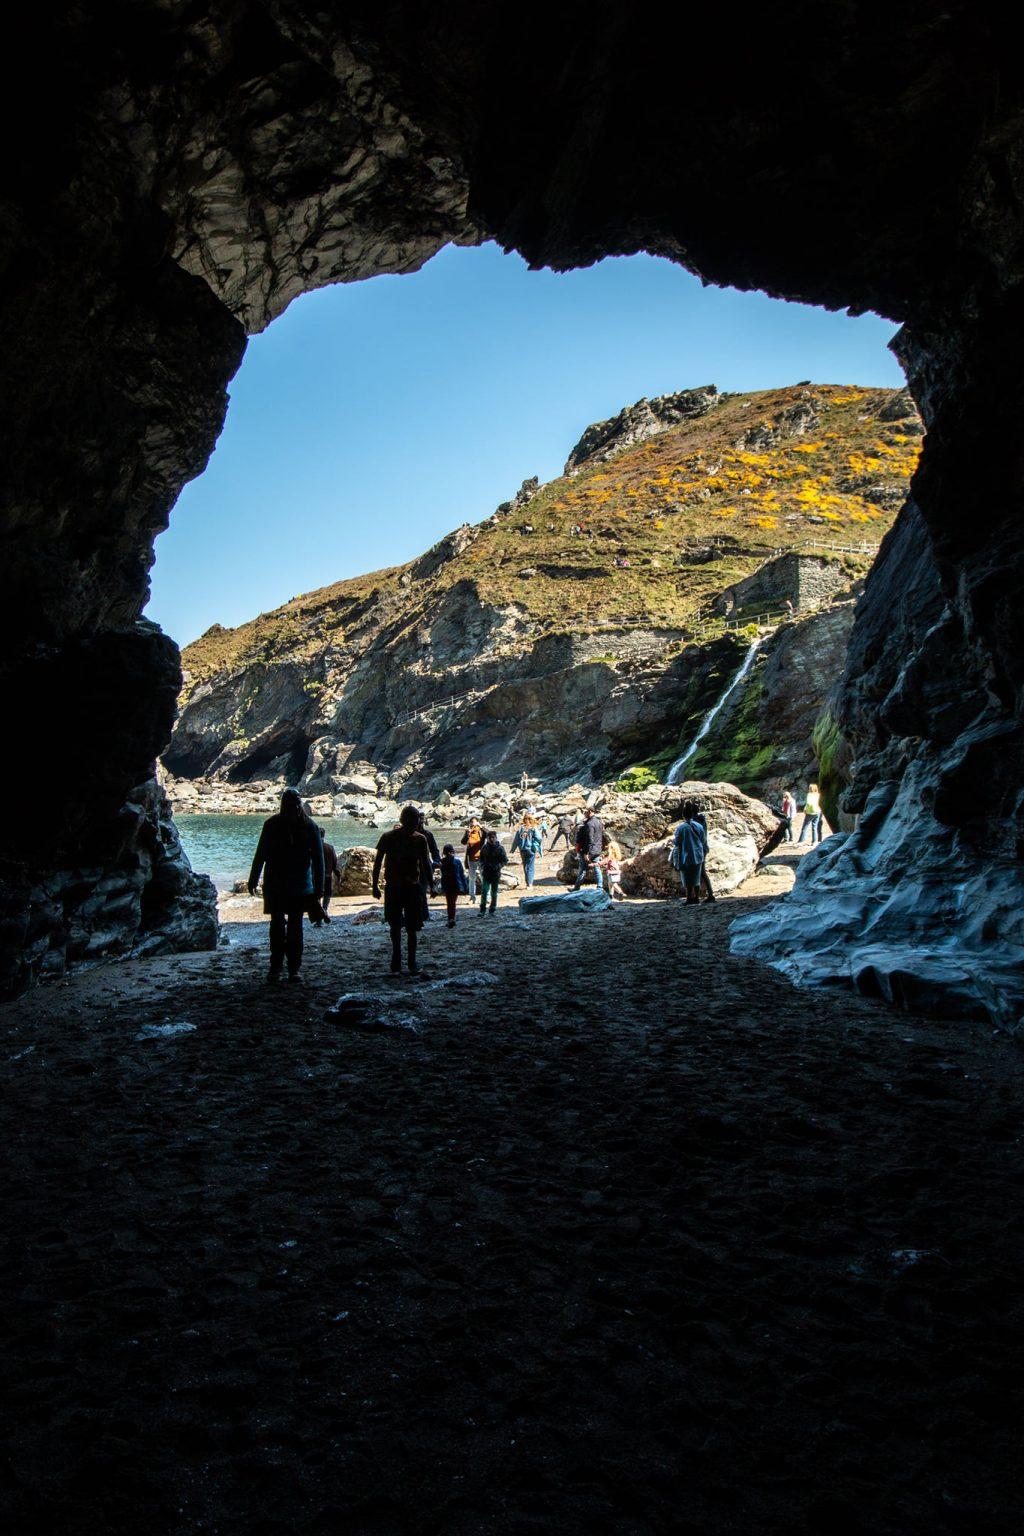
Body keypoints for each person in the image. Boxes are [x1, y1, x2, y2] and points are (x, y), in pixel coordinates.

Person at [248, 788, 325, 983]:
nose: (293, 809)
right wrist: (253, 878)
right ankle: (282, 967)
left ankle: (289, 968)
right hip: (280, 885)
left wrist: (319, 888)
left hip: (294, 886)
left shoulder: (305, 826)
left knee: (290, 927)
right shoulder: (282, 825)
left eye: (295, 805)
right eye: (290, 805)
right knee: (282, 926)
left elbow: (318, 860)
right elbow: (261, 854)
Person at [372, 805, 434, 974]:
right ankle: (403, 960)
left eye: (417, 820)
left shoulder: (390, 837)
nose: (415, 823)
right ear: (403, 821)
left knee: (405, 926)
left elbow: (425, 863)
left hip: (401, 887)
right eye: (413, 820)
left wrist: (375, 886)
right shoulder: (417, 839)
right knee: (404, 926)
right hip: (403, 887)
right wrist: (374, 885)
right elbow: (425, 864)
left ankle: (403, 960)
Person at [671, 808, 707, 904]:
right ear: (692, 815)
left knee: (686, 878)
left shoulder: (681, 827)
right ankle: (696, 898)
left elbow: (677, 842)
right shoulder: (699, 826)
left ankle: (689, 898)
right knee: (696, 877)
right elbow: (703, 840)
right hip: (698, 854)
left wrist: (673, 841)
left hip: (685, 855)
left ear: (683, 815)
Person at [686, 800, 716, 903]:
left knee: (695, 872)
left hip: (697, 850)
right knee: (701, 872)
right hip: (703, 848)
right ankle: (709, 895)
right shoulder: (701, 819)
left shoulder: (693, 822)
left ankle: (695, 897)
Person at [573, 807, 605, 890]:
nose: (584, 814)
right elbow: (601, 836)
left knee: (583, 869)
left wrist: (586, 852)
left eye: (585, 812)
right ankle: (600, 887)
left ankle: (576, 888)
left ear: (590, 812)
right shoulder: (599, 822)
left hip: (590, 850)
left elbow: (590, 839)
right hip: (598, 848)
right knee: (597, 868)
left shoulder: (589, 824)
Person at [478, 829, 508, 915]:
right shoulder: (484, 848)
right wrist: (482, 865)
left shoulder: (500, 848)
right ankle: (482, 910)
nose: (491, 839)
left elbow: (505, 860)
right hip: (486, 872)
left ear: (496, 838)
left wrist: (498, 866)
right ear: (487, 838)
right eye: (489, 837)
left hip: (495, 873)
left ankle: (492, 909)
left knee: (494, 892)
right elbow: (481, 859)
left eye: (493, 837)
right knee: (484, 891)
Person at [439, 843, 469, 927]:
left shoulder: (442, 862)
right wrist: (465, 886)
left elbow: (435, 865)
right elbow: (462, 875)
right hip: (456, 884)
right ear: (452, 852)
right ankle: (452, 919)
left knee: (449, 902)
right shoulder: (457, 861)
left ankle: (450, 919)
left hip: (447, 885)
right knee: (452, 903)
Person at [511, 814, 543, 888]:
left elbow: (516, 840)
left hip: (523, 850)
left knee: (525, 866)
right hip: (531, 849)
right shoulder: (533, 828)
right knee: (530, 866)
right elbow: (539, 838)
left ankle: (527, 883)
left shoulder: (521, 828)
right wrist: (535, 845)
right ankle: (530, 884)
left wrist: (513, 849)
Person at [461, 818, 484, 898]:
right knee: (471, 879)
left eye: (474, 822)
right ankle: (472, 897)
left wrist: (481, 827)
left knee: (483, 877)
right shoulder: (469, 832)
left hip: (481, 858)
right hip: (471, 859)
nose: (473, 824)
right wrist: (467, 833)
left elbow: (488, 834)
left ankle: (486, 896)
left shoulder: (481, 832)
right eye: (471, 823)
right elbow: (463, 842)